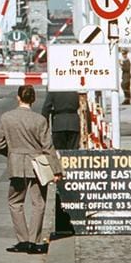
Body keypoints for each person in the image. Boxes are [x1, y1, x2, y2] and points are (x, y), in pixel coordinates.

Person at [0, 85, 63, 254]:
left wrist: (11, 153)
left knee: (15, 202)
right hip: (37, 164)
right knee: (38, 202)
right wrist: (56, 169)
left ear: (18, 97)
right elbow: (48, 147)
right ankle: (34, 240)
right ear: (33, 99)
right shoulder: (40, 120)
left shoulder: (7, 118)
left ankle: (22, 240)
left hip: (16, 163)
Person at [41, 90, 80, 236]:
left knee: (60, 155)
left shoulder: (55, 90)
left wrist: (43, 126)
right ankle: (71, 176)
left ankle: (61, 178)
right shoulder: (75, 89)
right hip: (74, 122)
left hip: (58, 123)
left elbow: (46, 108)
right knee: (73, 154)